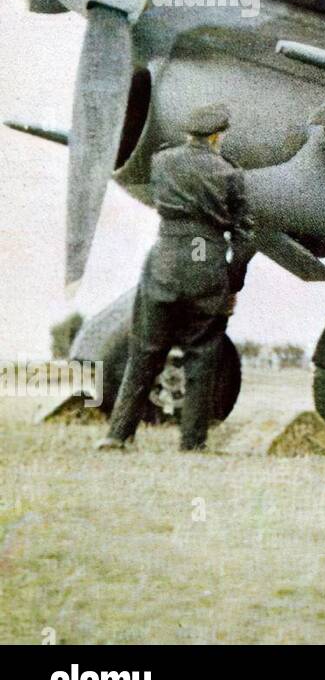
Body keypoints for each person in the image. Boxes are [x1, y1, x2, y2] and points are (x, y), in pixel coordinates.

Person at [97, 103, 253, 452]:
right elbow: (246, 236)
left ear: (187, 133)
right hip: (208, 264)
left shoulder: (162, 162)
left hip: (165, 262)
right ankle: (192, 443)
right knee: (201, 355)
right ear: (218, 136)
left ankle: (118, 435)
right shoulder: (230, 173)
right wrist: (233, 281)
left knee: (143, 353)